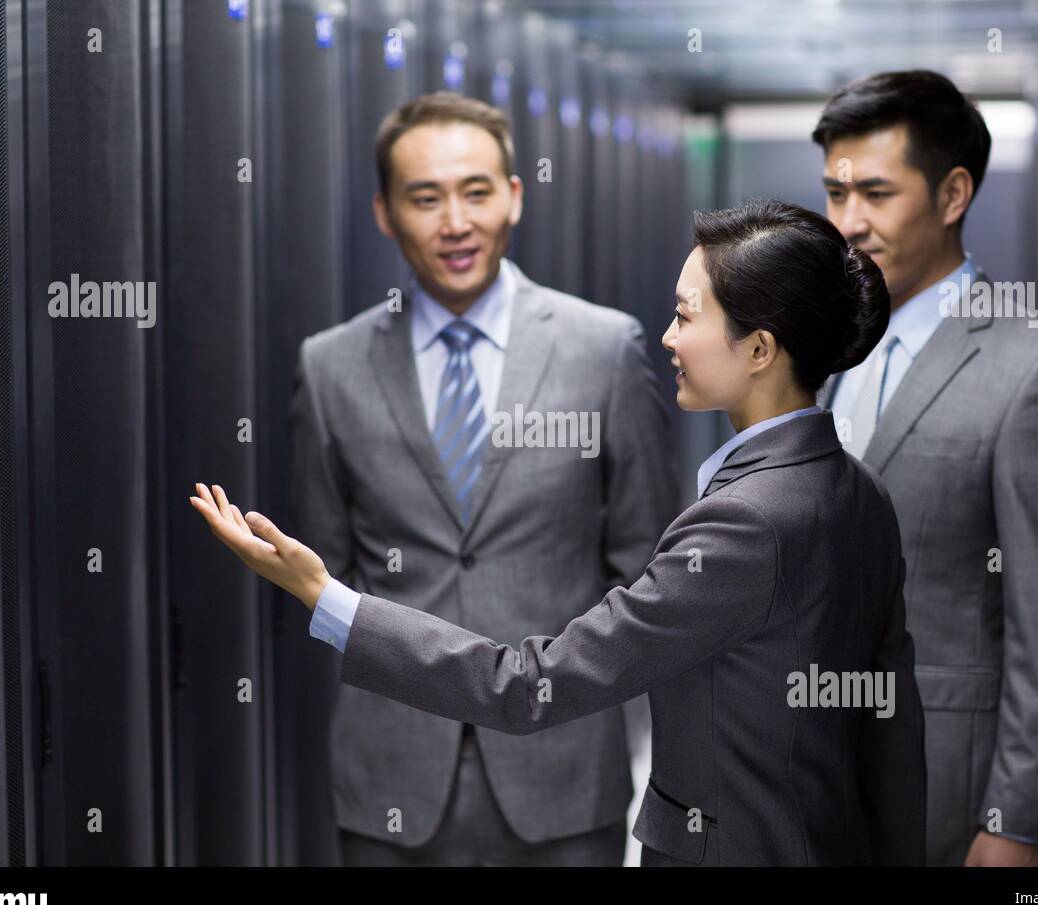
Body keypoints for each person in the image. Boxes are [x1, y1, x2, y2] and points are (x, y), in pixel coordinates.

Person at [193, 198, 928, 866]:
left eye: (687, 316)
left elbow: (528, 685)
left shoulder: (745, 522)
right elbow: (889, 727)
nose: (668, 337)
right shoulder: (857, 490)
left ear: (760, 350)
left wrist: (325, 598)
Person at [287, 92, 679, 866]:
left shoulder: (603, 348)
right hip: (392, 777)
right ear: (384, 213)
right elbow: (323, 577)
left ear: (515, 197)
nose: (455, 222)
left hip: (561, 767)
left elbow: (646, 568)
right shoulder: (329, 367)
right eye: (424, 198)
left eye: (476, 191)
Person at [811, 70, 1038, 866]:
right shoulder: (836, 358)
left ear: (953, 195)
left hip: (950, 790)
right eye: (835, 195)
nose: (849, 222)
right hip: (820, 783)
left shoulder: (1035, 372)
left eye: (875, 193)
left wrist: (1018, 821)